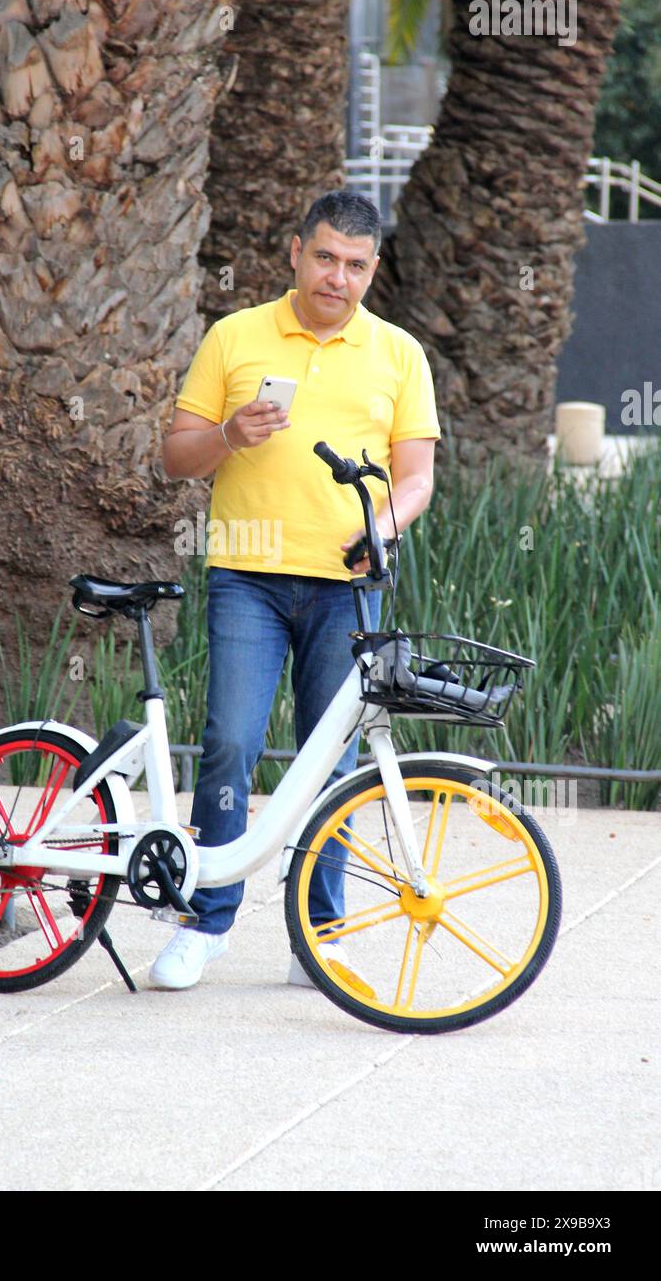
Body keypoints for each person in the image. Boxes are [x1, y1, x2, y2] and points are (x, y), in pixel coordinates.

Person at [150, 190, 440, 990]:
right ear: (294, 252)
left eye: (354, 265)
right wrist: (226, 435)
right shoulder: (234, 336)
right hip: (247, 573)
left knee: (333, 764)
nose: (336, 278)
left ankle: (319, 936)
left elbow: (417, 479)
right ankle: (204, 923)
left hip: (349, 589)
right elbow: (177, 457)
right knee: (232, 744)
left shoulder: (398, 353)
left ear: (372, 271)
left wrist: (382, 527)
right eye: (324, 258)